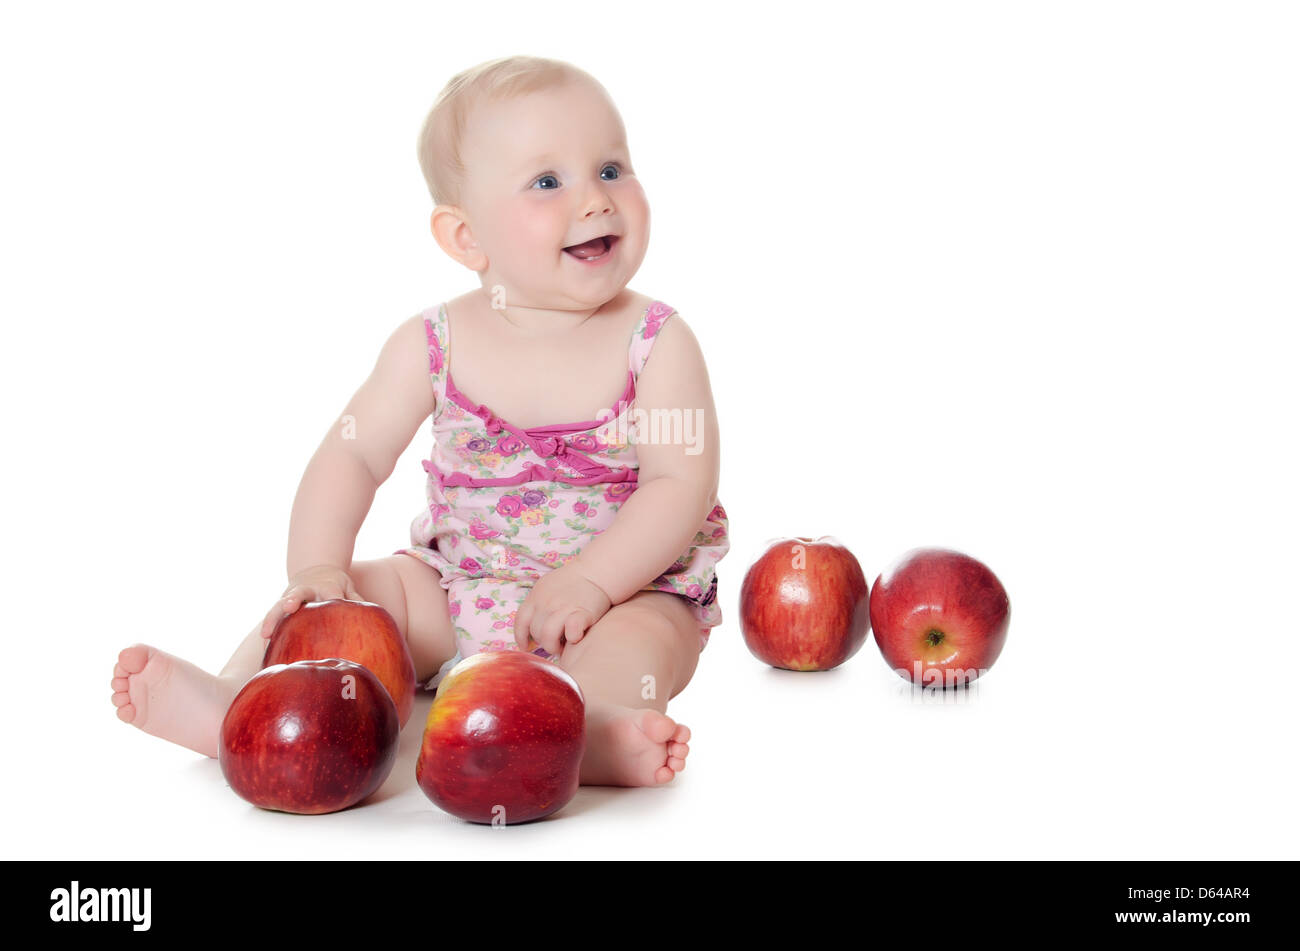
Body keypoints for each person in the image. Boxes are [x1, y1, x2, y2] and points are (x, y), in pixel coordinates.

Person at [111, 54, 729, 788]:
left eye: (611, 168)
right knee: (354, 600)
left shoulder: (657, 341)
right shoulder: (432, 342)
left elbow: (679, 484)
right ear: (466, 238)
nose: (595, 200)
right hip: (458, 587)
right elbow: (353, 456)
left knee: (648, 639)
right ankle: (246, 701)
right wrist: (317, 571)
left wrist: (591, 582)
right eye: (547, 181)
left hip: (621, 591)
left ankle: (584, 728)